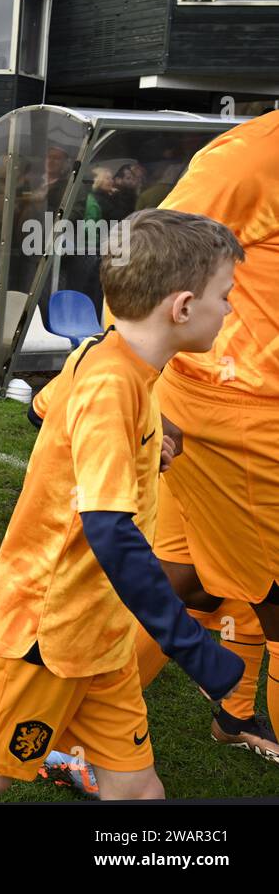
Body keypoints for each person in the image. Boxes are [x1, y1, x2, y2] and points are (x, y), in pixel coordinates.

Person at [0, 209, 245, 803]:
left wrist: (146, 437)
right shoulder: (112, 382)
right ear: (184, 307)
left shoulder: (107, 353)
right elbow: (111, 532)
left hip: (100, 636)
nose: (232, 309)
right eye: (226, 295)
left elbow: (43, 409)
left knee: (139, 792)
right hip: (44, 633)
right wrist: (190, 648)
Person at [130, 114, 279, 764]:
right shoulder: (247, 158)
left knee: (186, 580)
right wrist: (135, 380)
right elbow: (153, 256)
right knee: (271, 592)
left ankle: (230, 713)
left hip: (235, 404)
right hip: (236, 409)